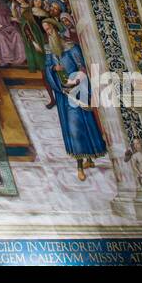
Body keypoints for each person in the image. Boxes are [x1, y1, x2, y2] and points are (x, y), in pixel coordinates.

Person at [46, 32, 106, 179]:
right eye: (46, 31)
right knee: (74, 129)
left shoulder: (72, 48)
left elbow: (82, 68)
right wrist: (54, 69)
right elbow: (47, 68)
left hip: (79, 92)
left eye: (51, 30)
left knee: (84, 126)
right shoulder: (50, 52)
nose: (49, 34)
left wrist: (76, 83)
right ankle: (80, 166)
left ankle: (88, 160)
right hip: (64, 96)